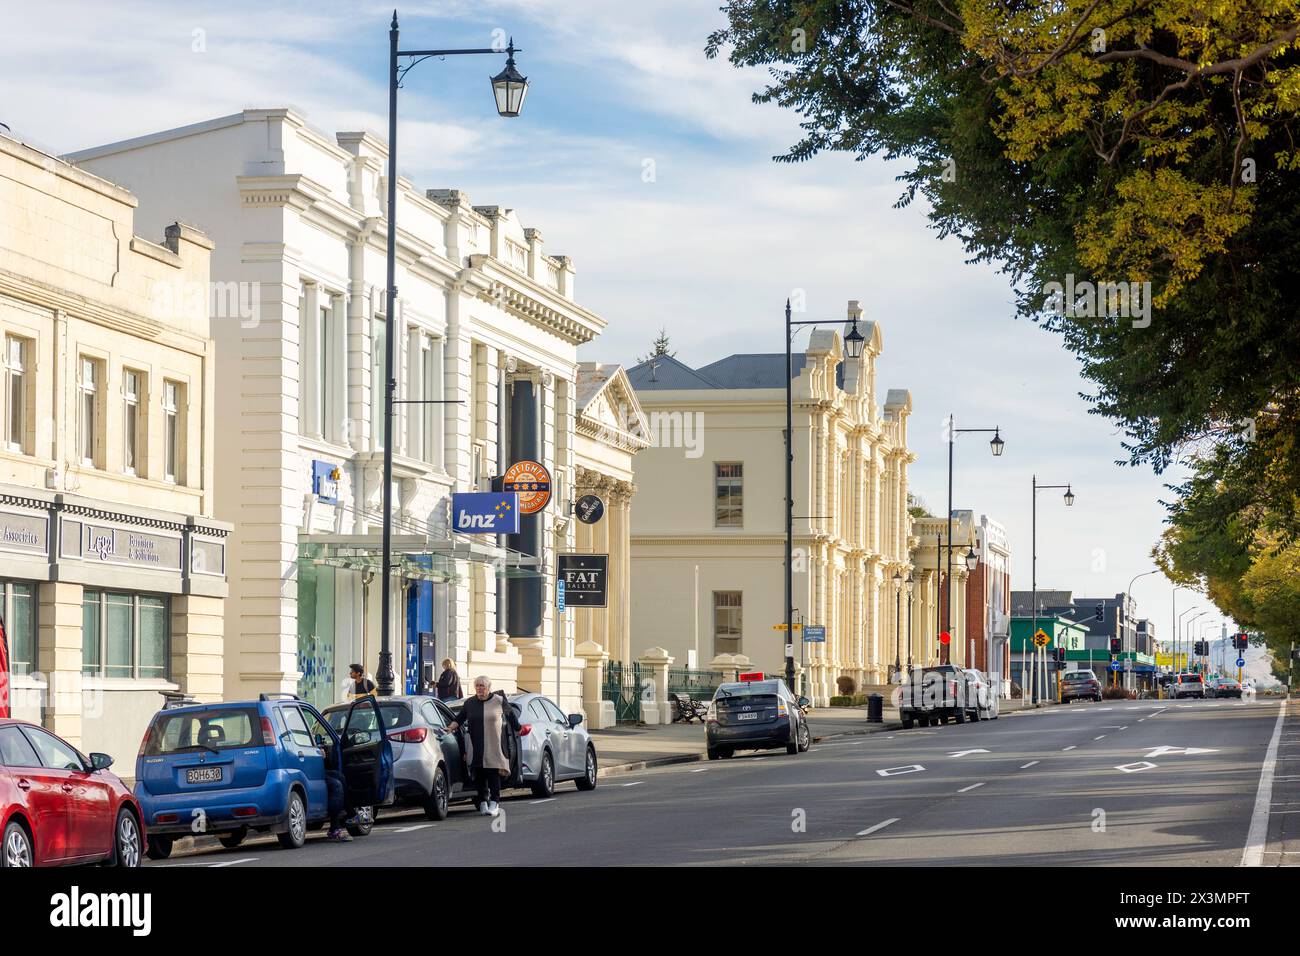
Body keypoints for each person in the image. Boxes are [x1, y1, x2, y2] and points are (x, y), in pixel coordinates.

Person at [446, 676, 519, 816]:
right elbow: (460, 718)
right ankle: (482, 802)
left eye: (482, 686)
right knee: (479, 774)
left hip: (494, 744)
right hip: (476, 744)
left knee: (492, 773)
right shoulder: (470, 703)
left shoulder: (498, 700)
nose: (479, 688)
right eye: (477, 686)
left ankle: (494, 803)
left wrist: (518, 728)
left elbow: (511, 715)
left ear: (488, 687)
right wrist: (450, 728)